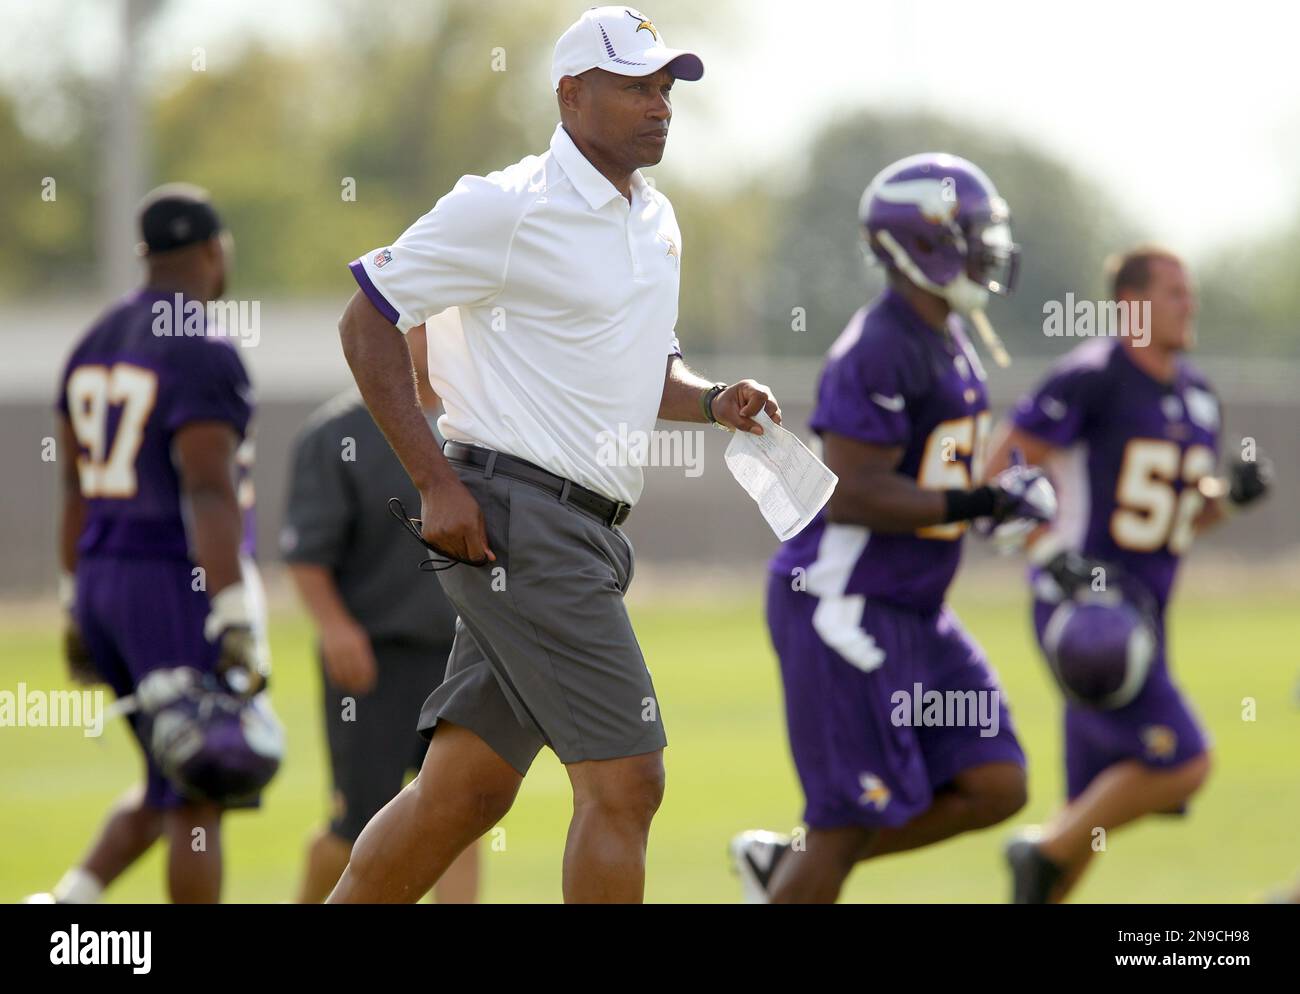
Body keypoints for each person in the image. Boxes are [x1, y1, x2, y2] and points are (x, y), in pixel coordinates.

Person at [327, 6, 781, 904]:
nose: (660, 106)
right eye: (635, 87)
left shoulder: (655, 222)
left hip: (582, 534)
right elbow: (366, 316)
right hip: (521, 521)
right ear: (571, 95)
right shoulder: (504, 204)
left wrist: (712, 401)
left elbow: (643, 373)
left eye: (665, 88)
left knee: (466, 791)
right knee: (629, 780)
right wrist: (434, 483)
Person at [731, 153, 1055, 904]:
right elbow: (851, 494)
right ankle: (800, 869)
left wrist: (995, 504)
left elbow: (931, 482)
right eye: (973, 232)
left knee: (995, 783)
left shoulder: (949, 333)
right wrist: (976, 506)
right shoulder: (880, 344)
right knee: (846, 820)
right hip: (846, 604)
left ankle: (785, 863)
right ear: (927, 239)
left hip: (915, 607)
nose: (987, 247)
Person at [988, 245, 1272, 902]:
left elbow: (1179, 519)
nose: (1189, 304)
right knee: (1185, 761)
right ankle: (1038, 850)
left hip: (1146, 609)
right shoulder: (1093, 375)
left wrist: (1229, 500)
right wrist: (1046, 551)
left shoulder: (1197, 395)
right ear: (1132, 305)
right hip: (1089, 615)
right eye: (1174, 292)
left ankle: (1046, 863)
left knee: (1091, 804)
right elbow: (1001, 464)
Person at [32, 184, 277, 904]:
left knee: (169, 781)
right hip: (169, 581)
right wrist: (231, 609)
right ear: (212, 250)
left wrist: (76, 601)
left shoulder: (93, 341)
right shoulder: (200, 347)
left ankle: (62, 908)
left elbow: (75, 491)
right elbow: (206, 489)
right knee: (203, 789)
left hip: (104, 576)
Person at [284, 319, 478, 903]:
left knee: (464, 810)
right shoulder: (335, 435)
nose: (438, 338)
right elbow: (306, 554)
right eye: (422, 325)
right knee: (356, 825)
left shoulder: (477, 425)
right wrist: (336, 629)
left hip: (460, 655)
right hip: (374, 660)